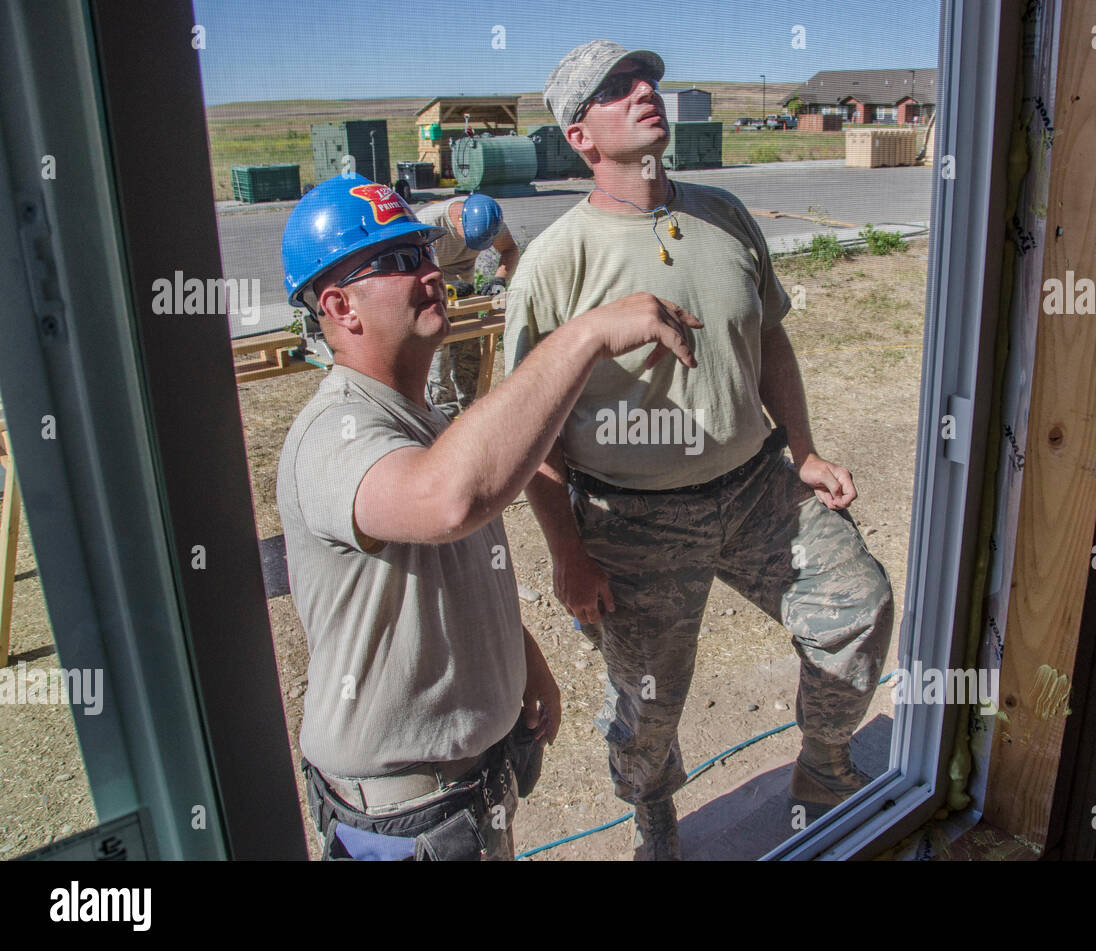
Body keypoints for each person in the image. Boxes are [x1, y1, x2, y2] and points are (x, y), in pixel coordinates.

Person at [504, 40, 895, 860]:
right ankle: (653, 820)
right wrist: (567, 550)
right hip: (629, 520)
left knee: (858, 608)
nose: (645, 90)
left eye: (645, 78)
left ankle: (822, 768)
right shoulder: (552, 264)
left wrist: (806, 451)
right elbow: (528, 433)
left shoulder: (723, 211)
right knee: (649, 709)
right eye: (618, 89)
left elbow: (773, 341)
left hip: (759, 487)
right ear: (582, 137)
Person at [277, 174, 702, 860]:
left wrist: (521, 659)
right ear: (339, 306)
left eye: (421, 251)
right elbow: (450, 500)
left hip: (462, 795)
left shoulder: (424, 418)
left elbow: (457, 564)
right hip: (404, 821)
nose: (427, 271)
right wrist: (585, 336)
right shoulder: (335, 431)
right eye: (394, 262)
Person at [416, 192, 520, 417]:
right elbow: (413, 272)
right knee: (437, 362)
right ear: (459, 220)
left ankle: (473, 413)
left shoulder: (489, 221)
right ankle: (442, 418)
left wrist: (499, 278)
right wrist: (446, 286)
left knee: (469, 356)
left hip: (464, 297)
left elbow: (510, 249)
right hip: (431, 297)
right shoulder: (427, 224)